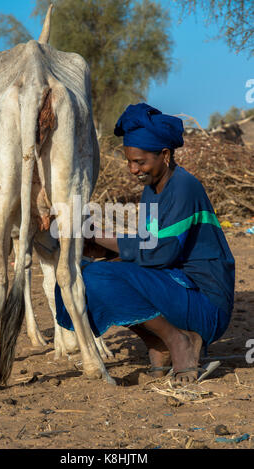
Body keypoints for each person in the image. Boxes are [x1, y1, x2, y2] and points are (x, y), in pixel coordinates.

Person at [55, 103, 235, 386]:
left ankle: (181, 340)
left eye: (140, 162)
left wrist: (94, 232)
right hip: (177, 286)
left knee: (98, 279)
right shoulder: (153, 189)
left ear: (165, 155)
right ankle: (160, 344)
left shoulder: (184, 187)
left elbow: (160, 252)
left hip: (206, 302)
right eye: (129, 161)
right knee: (78, 273)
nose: (133, 169)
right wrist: (94, 245)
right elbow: (147, 247)